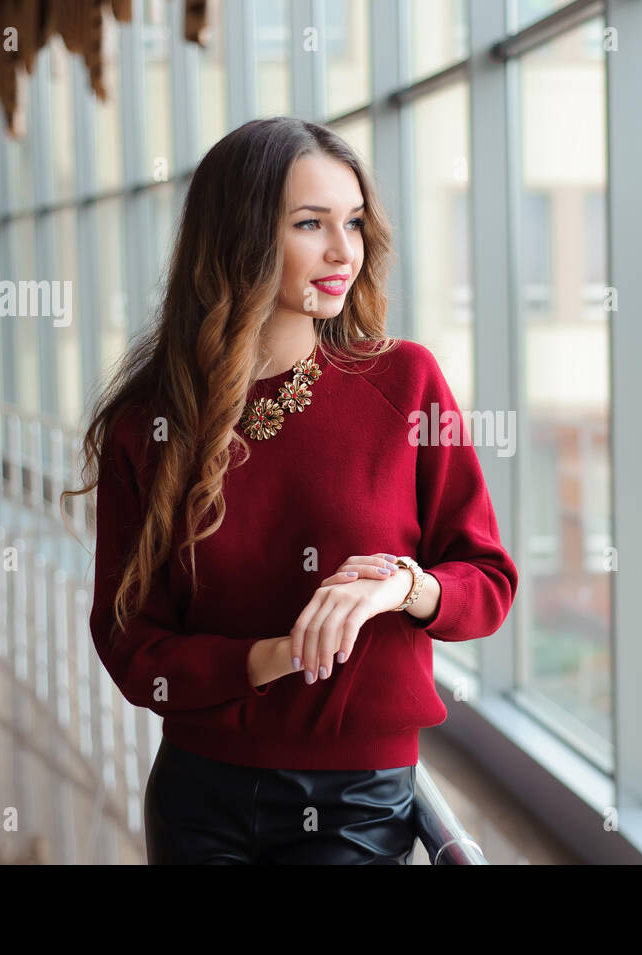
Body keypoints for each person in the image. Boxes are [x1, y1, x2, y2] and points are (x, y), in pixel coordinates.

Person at [62, 117, 518, 864]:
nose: (344, 251)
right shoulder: (147, 424)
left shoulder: (406, 382)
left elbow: (488, 582)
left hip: (357, 801)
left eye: (354, 223)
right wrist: (266, 658)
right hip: (199, 795)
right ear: (239, 239)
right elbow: (130, 641)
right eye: (311, 224)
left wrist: (404, 587)